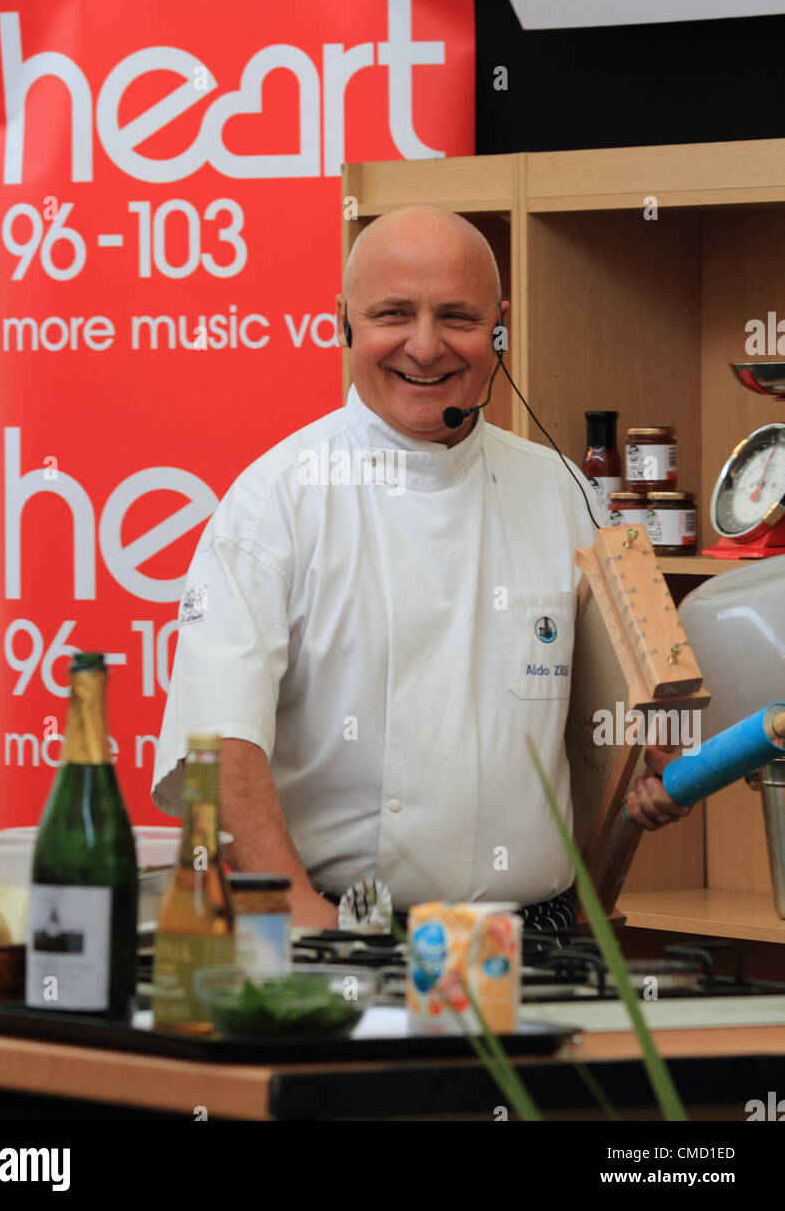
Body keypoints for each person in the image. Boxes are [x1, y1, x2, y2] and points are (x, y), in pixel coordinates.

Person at [152, 205, 691, 931]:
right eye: (394, 313)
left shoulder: (561, 490)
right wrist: (297, 910)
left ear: (500, 325)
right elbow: (216, 741)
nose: (427, 346)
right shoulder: (275, 501)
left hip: (540, 929)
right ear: (344, 319)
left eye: (458, 317)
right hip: (342, 927)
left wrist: (653, 769)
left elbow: (613, 716)